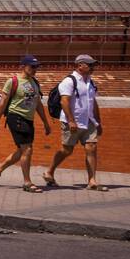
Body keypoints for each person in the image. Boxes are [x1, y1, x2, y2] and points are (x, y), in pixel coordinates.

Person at [0, 55, 51, 192]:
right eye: (32, 67)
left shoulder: (34, 82)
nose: (35, 69)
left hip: (29, 119)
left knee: (22, 150)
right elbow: (3, 102)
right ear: (23, 66)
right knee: (27, 149)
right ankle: (27, 183)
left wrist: (46, 122)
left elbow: (38, 104)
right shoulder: (13, 81)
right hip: (15, 116)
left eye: (36, 67)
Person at [45, 54, 106, 190]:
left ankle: (92, 181)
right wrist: (71, 121)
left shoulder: (91, 82)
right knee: (66, 150)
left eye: (93, 65)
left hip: (89, 121)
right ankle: (49, 171)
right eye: (89, 65)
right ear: (80, 65)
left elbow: (93, 102)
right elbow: (64, 101)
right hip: (72, 122)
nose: (92, 68)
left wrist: (98, 121)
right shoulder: (69, 81)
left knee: (91, 147)